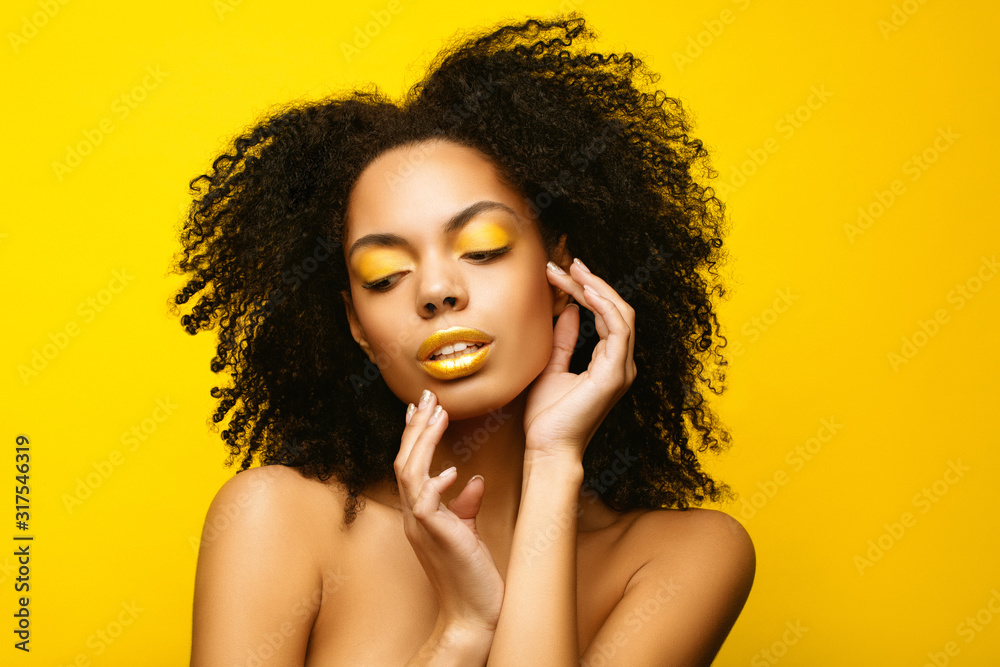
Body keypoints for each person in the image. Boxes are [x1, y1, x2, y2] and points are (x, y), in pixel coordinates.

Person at [175, 14, 754, 666]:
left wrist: (554, 462)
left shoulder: (679, 558)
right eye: (386, 274)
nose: (436, 290)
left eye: (481, 248)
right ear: (357, 326)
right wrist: (459, 632)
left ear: (559, 275)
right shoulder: (274, 523)